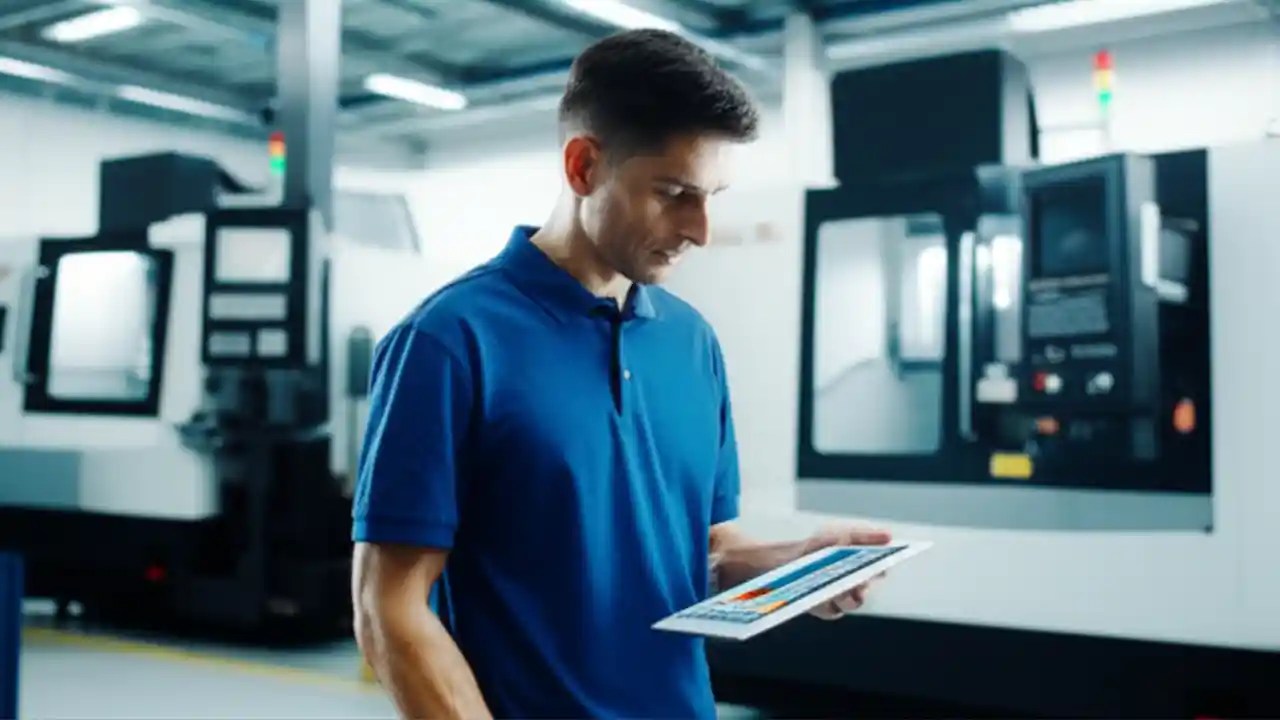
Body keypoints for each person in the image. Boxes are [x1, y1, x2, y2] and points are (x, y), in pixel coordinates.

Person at [351, 28, 891, 720]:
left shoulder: (692, 343)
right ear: (583, 167)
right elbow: (388, 606)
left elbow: (699, 551)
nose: (701, 229)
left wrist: (802, 562)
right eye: (673, 193)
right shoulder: (448, 342)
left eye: (712, 195)